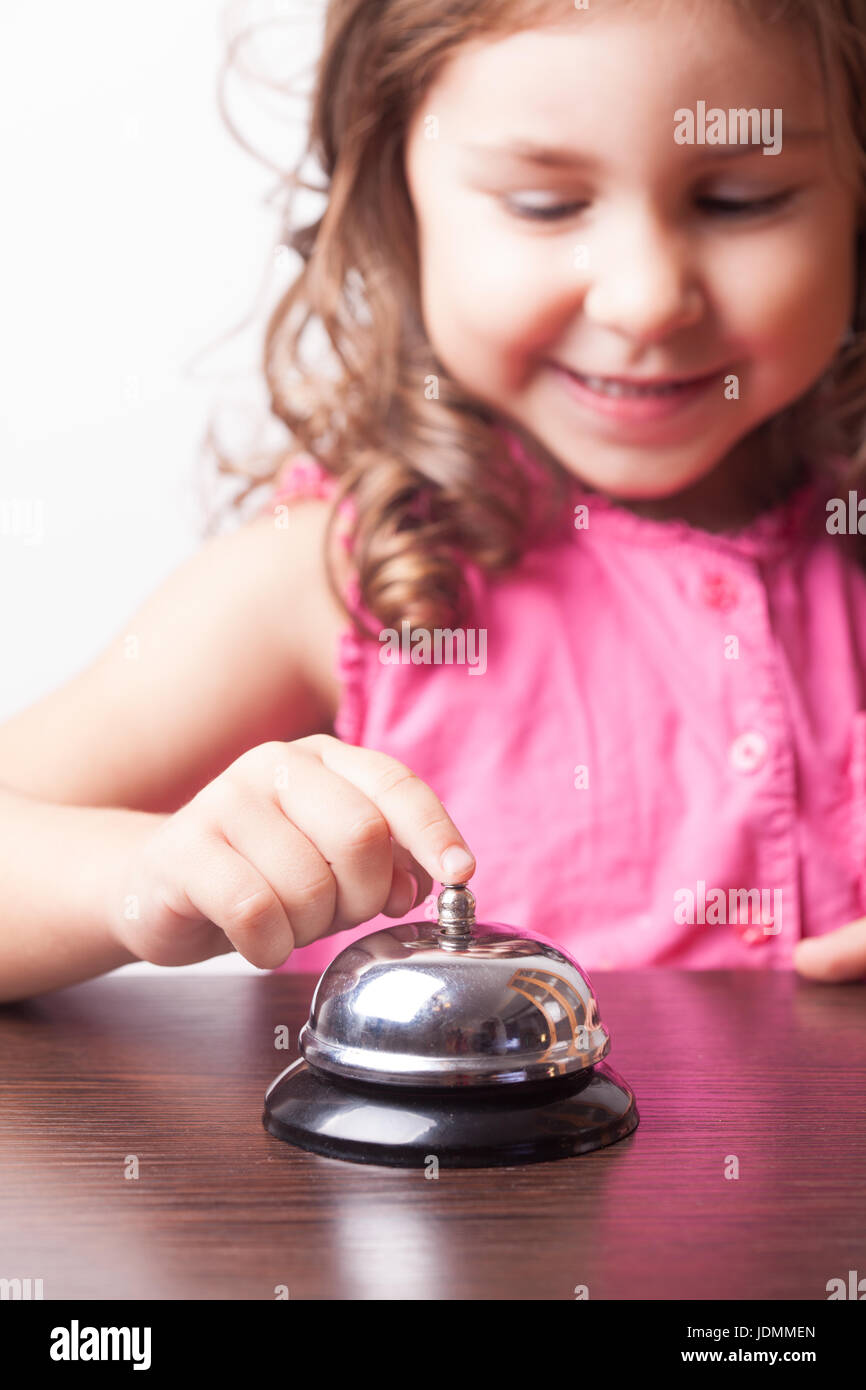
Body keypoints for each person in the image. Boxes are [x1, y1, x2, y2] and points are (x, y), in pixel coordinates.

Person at [3, 0, 866, 1002]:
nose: (641, 297)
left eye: (738, 198)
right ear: (393, 196)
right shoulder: (327, 577)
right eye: (543, 205)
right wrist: (139, 880)